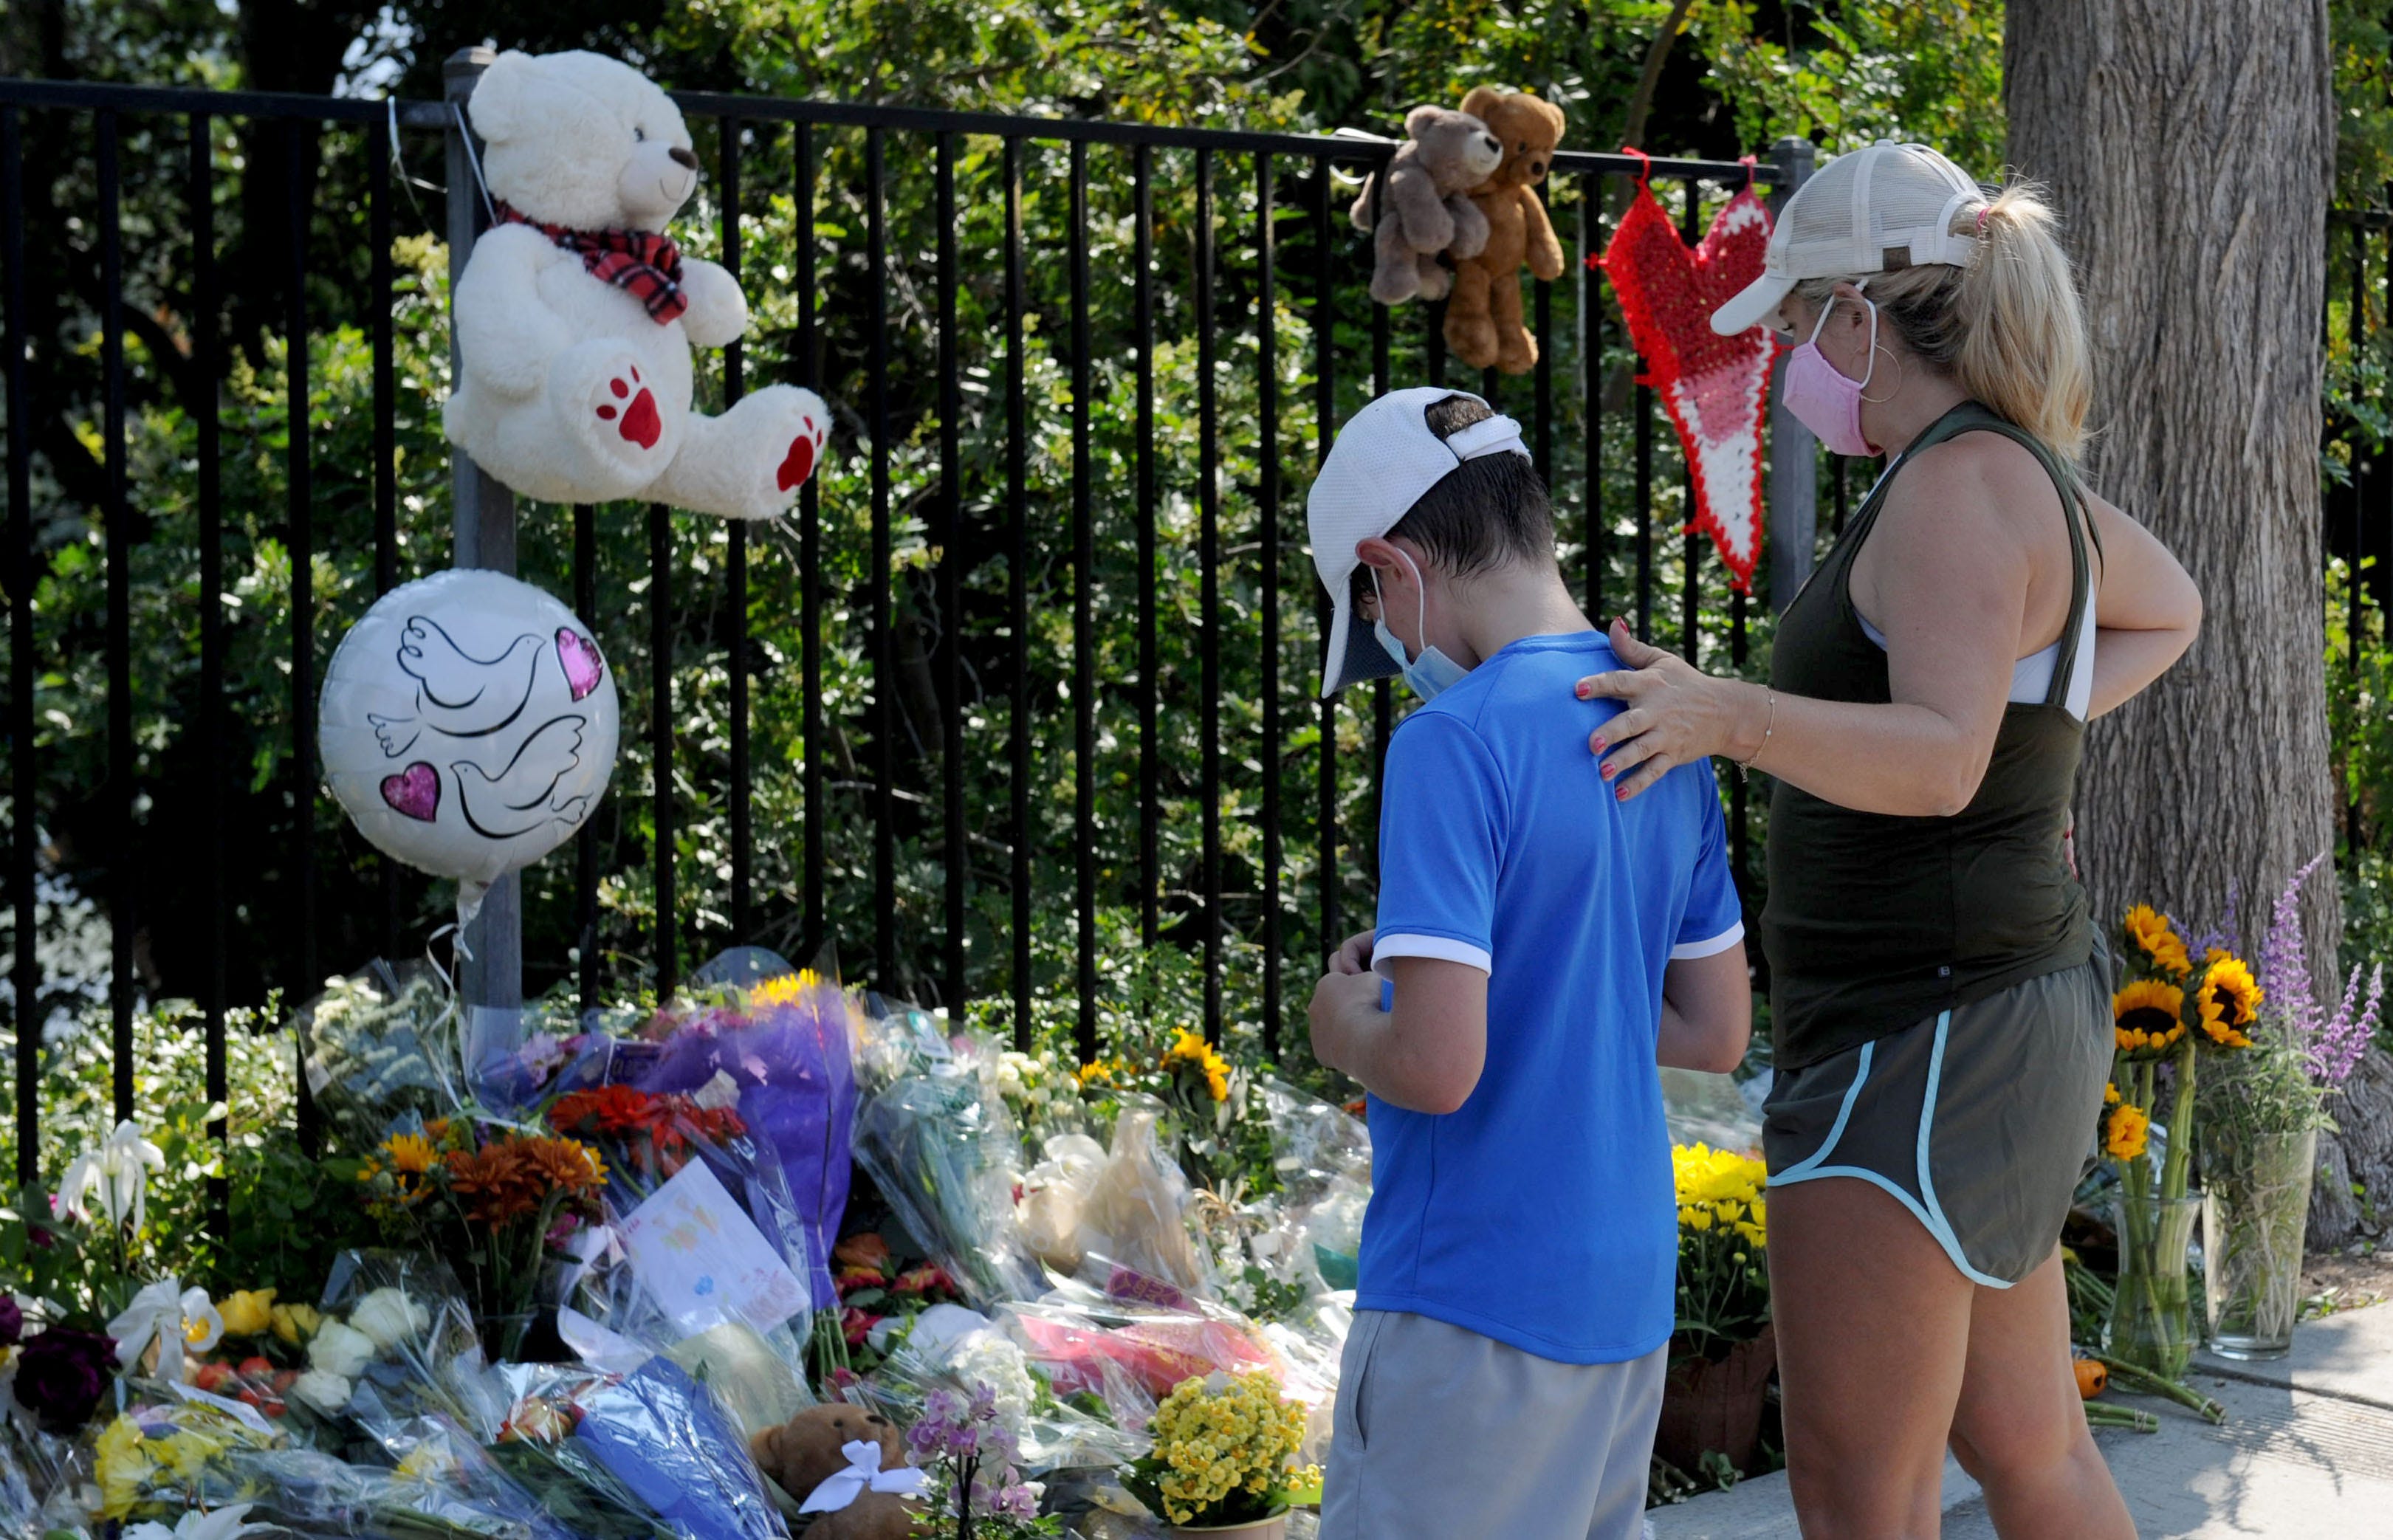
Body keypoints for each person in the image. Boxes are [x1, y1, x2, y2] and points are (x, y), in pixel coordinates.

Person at [1578, 141, 2203, 1539]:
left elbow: (1936, 758)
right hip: (1983, 1013)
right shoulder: (1997, 469)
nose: (1793, 359)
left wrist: (1728, 714)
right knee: (2028, 1447)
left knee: (1861, 1491)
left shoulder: (1951, 486)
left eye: (1803, 320)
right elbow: (2164, 608)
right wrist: (2026, 738)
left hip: (1916, 1033)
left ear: (1863, 311)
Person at [1305, 386, 1753, 1540]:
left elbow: (1435, 1064)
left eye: (1371, 612)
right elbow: (1713, 1031)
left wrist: (1340, 1017)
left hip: (1470, 1296)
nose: (1390, 647)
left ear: (1388, 567)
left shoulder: (1450, 740)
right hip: (1621, 1292)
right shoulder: (1666, 718)